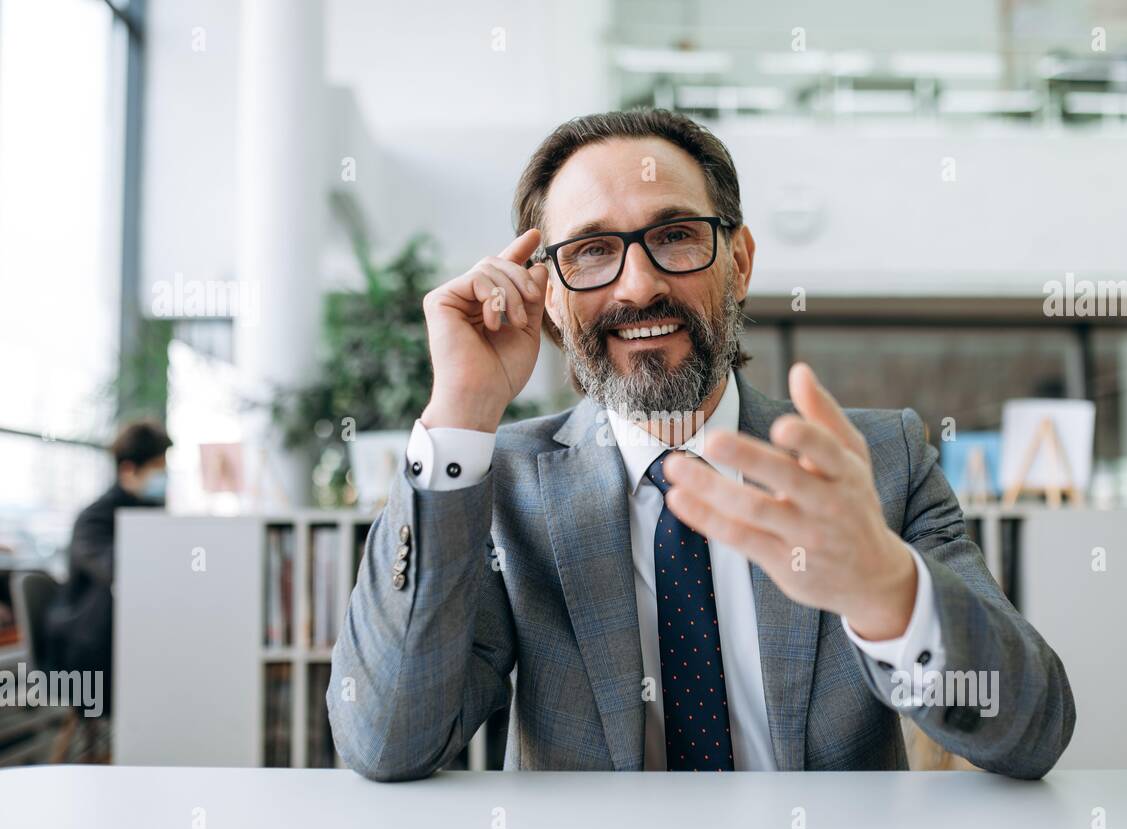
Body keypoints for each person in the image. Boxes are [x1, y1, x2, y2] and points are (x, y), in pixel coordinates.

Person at [327, 108, 1075, 778]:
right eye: (591, 251)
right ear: (550, 294)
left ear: (739, 262)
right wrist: (461, 409)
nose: (637, 286)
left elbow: (1030, 733)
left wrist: (889, 590)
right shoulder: (505, 484)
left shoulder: (877, 463)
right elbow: (387, 739)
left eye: (675, 236)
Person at [46, 419, 172, 722]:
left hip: (121, 640)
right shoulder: (94, 519)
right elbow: (120, 572)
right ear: (129, 469)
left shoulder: (151, 511)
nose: (164, 475)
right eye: (157, 466)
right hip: (87, 652)